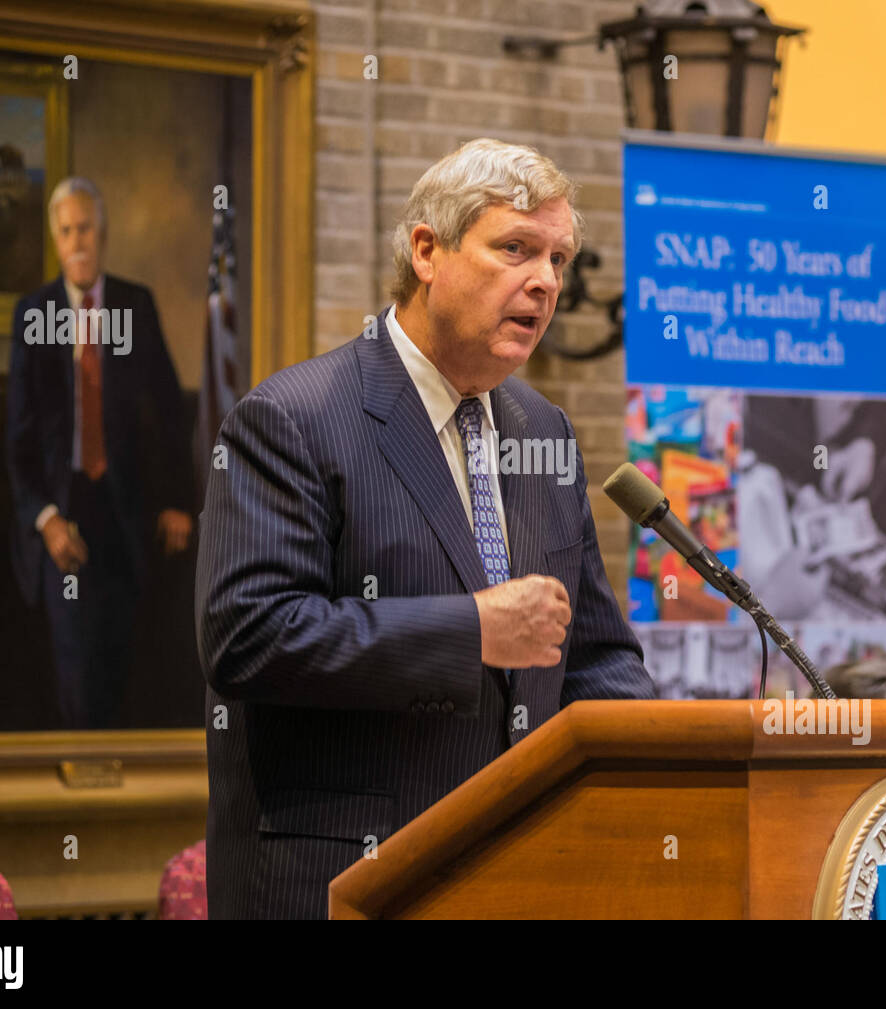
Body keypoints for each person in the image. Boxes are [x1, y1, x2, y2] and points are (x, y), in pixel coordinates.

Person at [195, 138, 655, 919]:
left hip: (516, 879)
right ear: (427, 251)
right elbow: (248, 636)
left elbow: (591, 655)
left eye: (558, 259)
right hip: (348, 881)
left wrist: (669, 758)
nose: (545, 281)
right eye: (516, 248)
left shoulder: (543, 430)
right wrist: (470, 630)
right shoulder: (293, 418)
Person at [5, 177, 194, 730]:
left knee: (131, 674)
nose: (77, 241)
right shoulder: (33, 314)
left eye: (85, 228)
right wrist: (45, 519)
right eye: (66, 231)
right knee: (77, 680)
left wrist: (178, 500)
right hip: (63, 515)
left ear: (102, 234)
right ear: (56, 240)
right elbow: (18, 438)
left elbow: (170, 411)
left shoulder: (136, 305)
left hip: (128, 514)